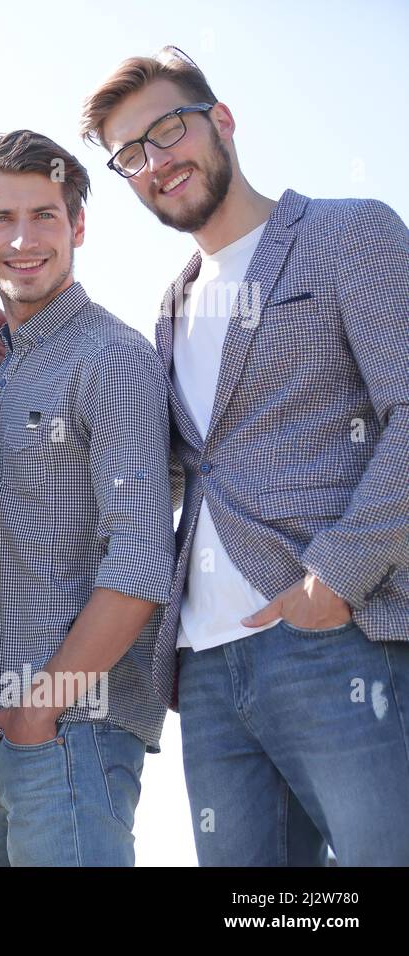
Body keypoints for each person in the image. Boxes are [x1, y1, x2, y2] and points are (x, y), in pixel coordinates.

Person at [72, 46, 409, 865]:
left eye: (168, 130)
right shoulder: (169, 306)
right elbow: (193, 463)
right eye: (130, 154)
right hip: (209, 674)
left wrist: (333, 579)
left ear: (221, 121)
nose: (156, 162)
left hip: (339, 640)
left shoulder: (347, 231)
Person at [0, 130, 175, 866]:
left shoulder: (110, 359)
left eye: (44, 216)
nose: (22, 239)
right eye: (0, 219)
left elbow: (144, 563)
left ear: (78, 227)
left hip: (72, 731)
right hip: (3, 736)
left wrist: (42, 711)